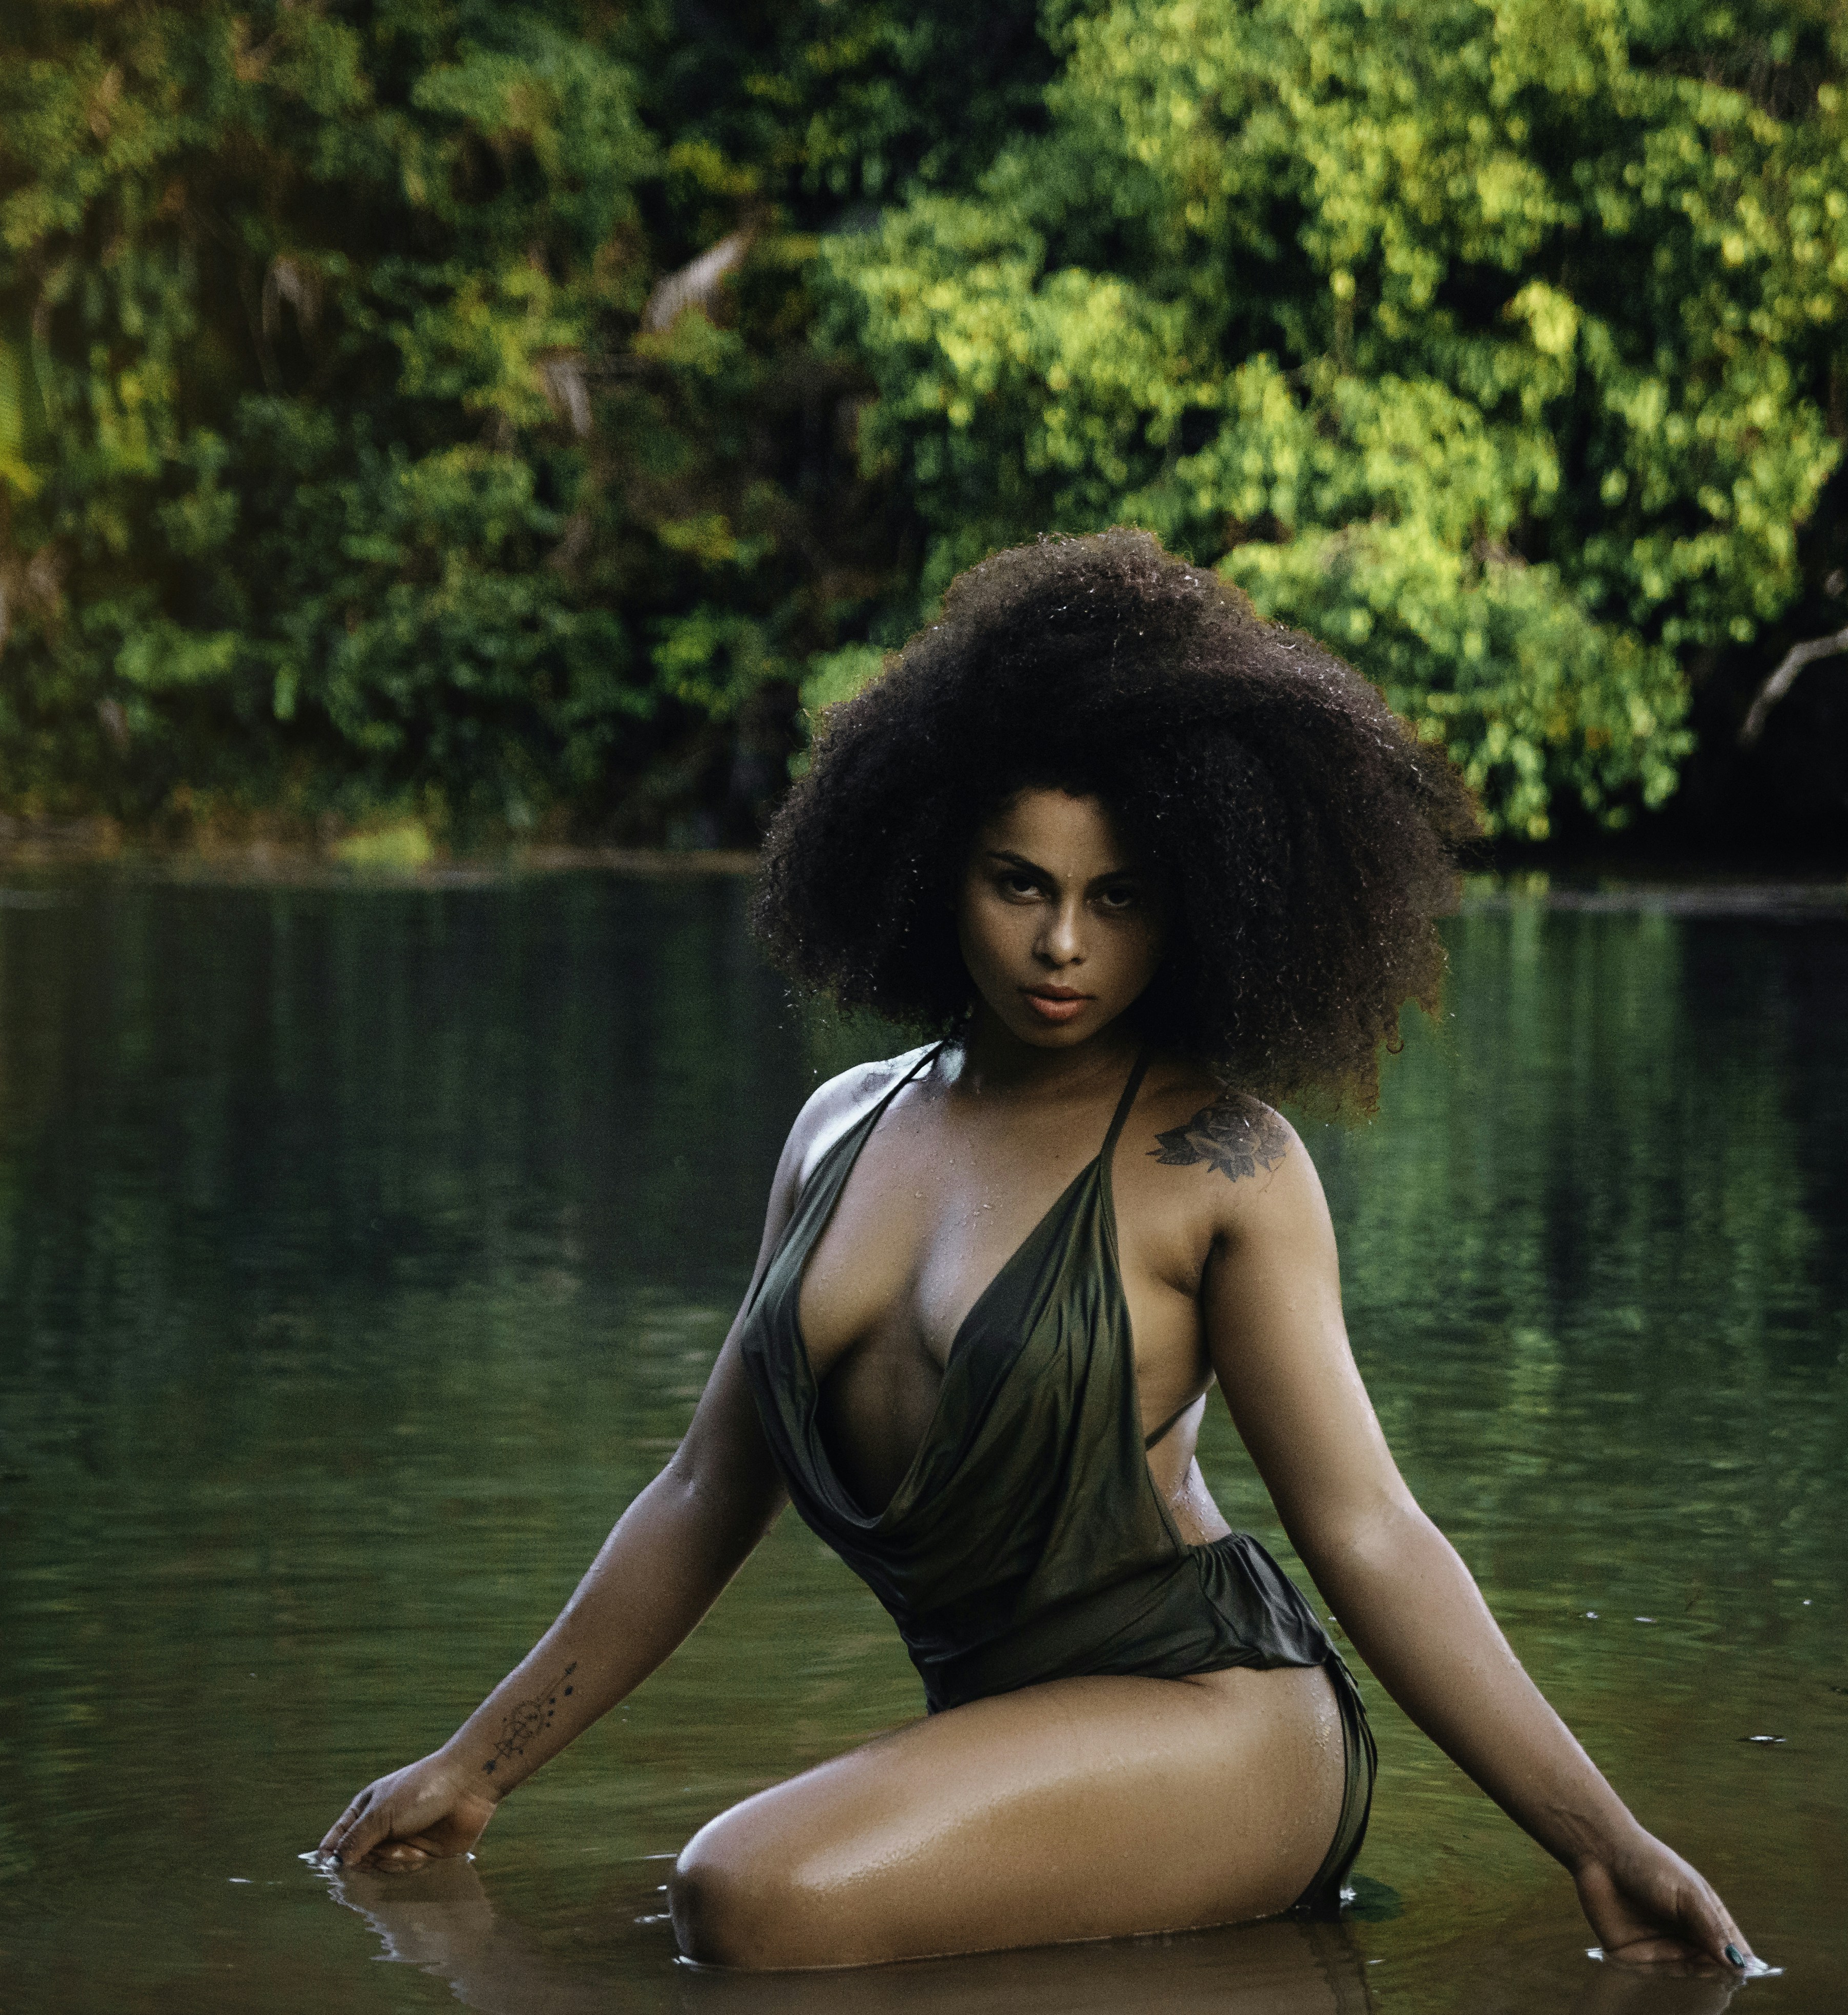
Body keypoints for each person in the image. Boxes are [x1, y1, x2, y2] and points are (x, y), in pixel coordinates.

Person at [316, 529, 1760, 1977]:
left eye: (1116, 895)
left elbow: (1371, 1530)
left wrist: (1598, 1840)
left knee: (743, 1893)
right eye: (1019, 883)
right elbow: (705, 1488)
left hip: (1224, 1726)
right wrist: (477, 1764)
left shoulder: (1224, 1159)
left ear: (1187, 898)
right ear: (936, 869)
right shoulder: (839, 1127)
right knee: (733, 1897)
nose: (1061, 943)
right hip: (1016, 1742)